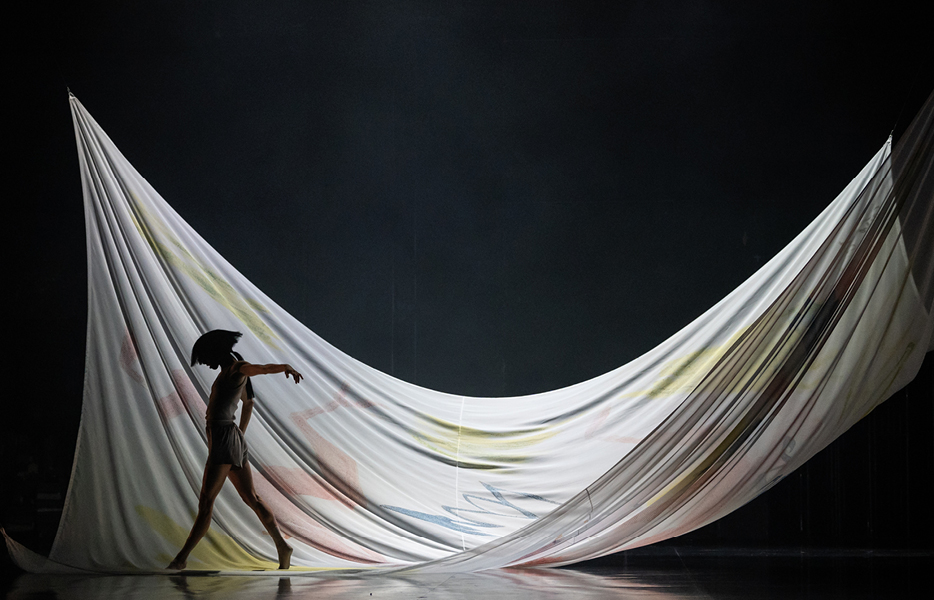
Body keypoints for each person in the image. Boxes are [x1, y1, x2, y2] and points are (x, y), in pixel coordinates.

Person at [167, 329, 303, 570]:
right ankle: (282, 546)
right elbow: (248, 402)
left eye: (206, 357)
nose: (205, 363)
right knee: (251, 497)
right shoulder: (229, 372)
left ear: (215, 352)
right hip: (228, 438)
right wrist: (240, 433)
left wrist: (285, 367)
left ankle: (180, 559)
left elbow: (260, 369)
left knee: (206, 501)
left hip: (224, 439)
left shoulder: (237, 368)